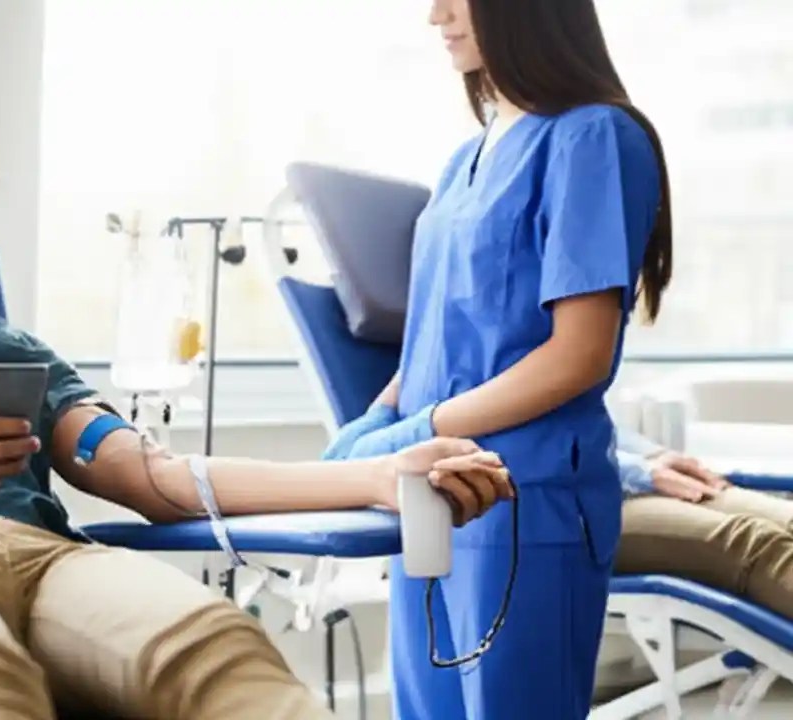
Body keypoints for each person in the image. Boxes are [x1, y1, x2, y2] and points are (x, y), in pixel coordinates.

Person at [0, 79, 513, 720]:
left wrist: (374, 475)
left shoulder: (2, 345)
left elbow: (153, 478)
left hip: (50, 564)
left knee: (216, 647)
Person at [324, 1, 674, 717]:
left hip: (522, 495)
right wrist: (375, 423)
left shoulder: (592, 138)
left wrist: (418, 430)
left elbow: (577, 356)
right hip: (430, 489)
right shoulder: (467, 157)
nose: (435, 15)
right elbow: (442, 334)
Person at [615, 428, 793, 617]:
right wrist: (639, 471)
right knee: (753, 543)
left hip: (629, 471)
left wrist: (653, 455)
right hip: (589, 508)